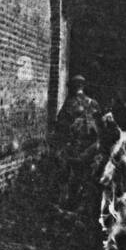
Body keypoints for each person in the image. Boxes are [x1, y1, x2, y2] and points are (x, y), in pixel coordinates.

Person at [55, 74, 102, 210]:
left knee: (73, 174)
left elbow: (61, 124)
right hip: (90, 145)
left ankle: (73, 203)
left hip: (77, 144)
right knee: (85, 174)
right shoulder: (93, 103)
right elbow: (100, 126)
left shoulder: (70, 103)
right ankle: (81, 204)